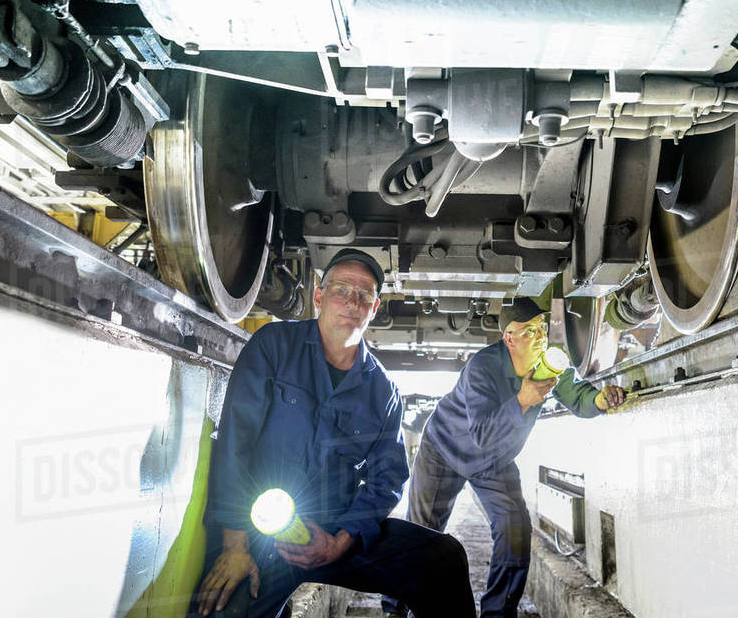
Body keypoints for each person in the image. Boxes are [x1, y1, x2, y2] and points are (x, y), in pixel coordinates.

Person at [193, 249, 475, 618]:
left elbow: (387, 479)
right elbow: (234, 444)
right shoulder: (273, 347)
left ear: (373, 310)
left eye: (365, 295)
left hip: (332, 529)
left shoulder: (383, 392)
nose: (353, 301)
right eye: (342, 289)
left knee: (443, 559)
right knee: (222, 611)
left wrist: (341, 541)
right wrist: (234, 546)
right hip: (258, 531)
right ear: (319, 297)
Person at [382, 297, 625, 618]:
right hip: (444, 450)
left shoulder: (551, 363)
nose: (540, 337)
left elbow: (578, 397)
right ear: (509, 338)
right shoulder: (482, 367)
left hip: (493, 460)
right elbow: (481, 434)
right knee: (422, 533)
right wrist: (522, 400)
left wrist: (599, 399)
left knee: (514, 530)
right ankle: (396, 608)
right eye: (530, 332)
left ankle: (498, 614)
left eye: (541, 329)